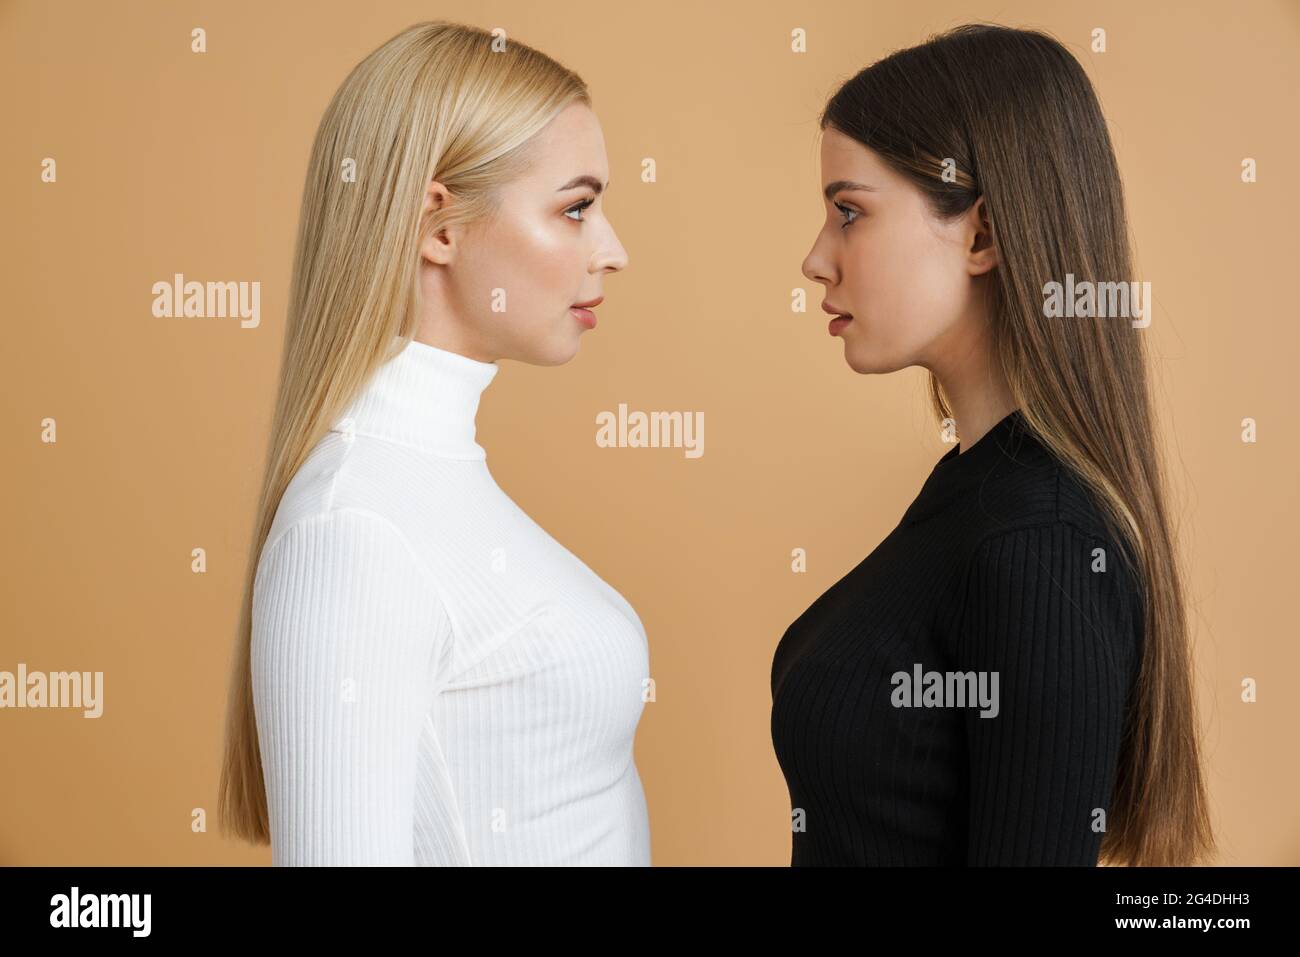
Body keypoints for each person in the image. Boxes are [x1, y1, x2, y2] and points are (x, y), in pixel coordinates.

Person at [771, 24, 1215, 866]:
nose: (816, 260)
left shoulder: (1039, 543)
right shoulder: (974, 492)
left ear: (980, 235)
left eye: (849, 212)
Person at [217, 21, 650, 865]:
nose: (613, 250)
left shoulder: (428, 487)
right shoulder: (353, 533)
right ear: (439, 228)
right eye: (576, 208)